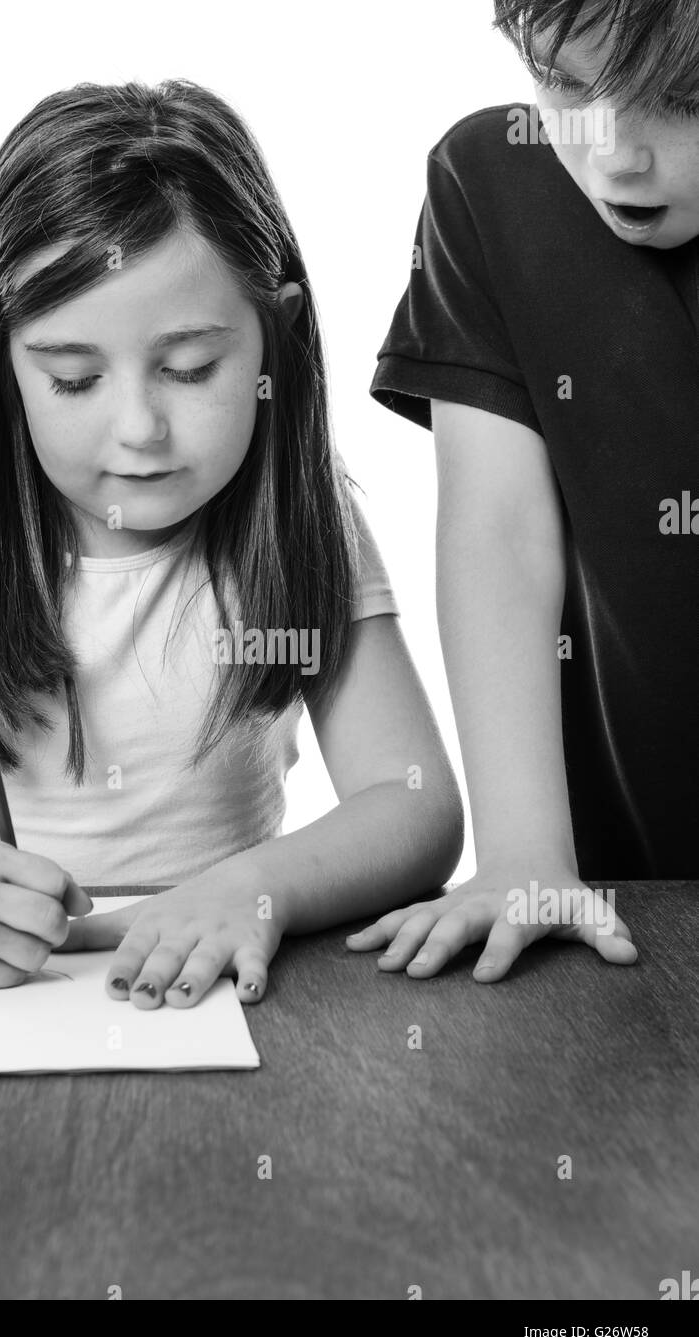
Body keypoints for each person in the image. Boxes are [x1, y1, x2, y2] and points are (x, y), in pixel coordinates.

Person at [0, 80, 462, 1007]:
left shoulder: (307, 523)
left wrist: (254, 888)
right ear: (1, 367)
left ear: (275, 340)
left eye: (190, 369)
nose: (140, 429)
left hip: (216, 1005)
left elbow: (416, 804)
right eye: (75, 380)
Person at [354, 0, 699, 983]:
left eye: (681, 99)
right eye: (568, 84)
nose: (616, 155)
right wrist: (520, 857)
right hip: (623, 918)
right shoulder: (486, 182)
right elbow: (497, 532)